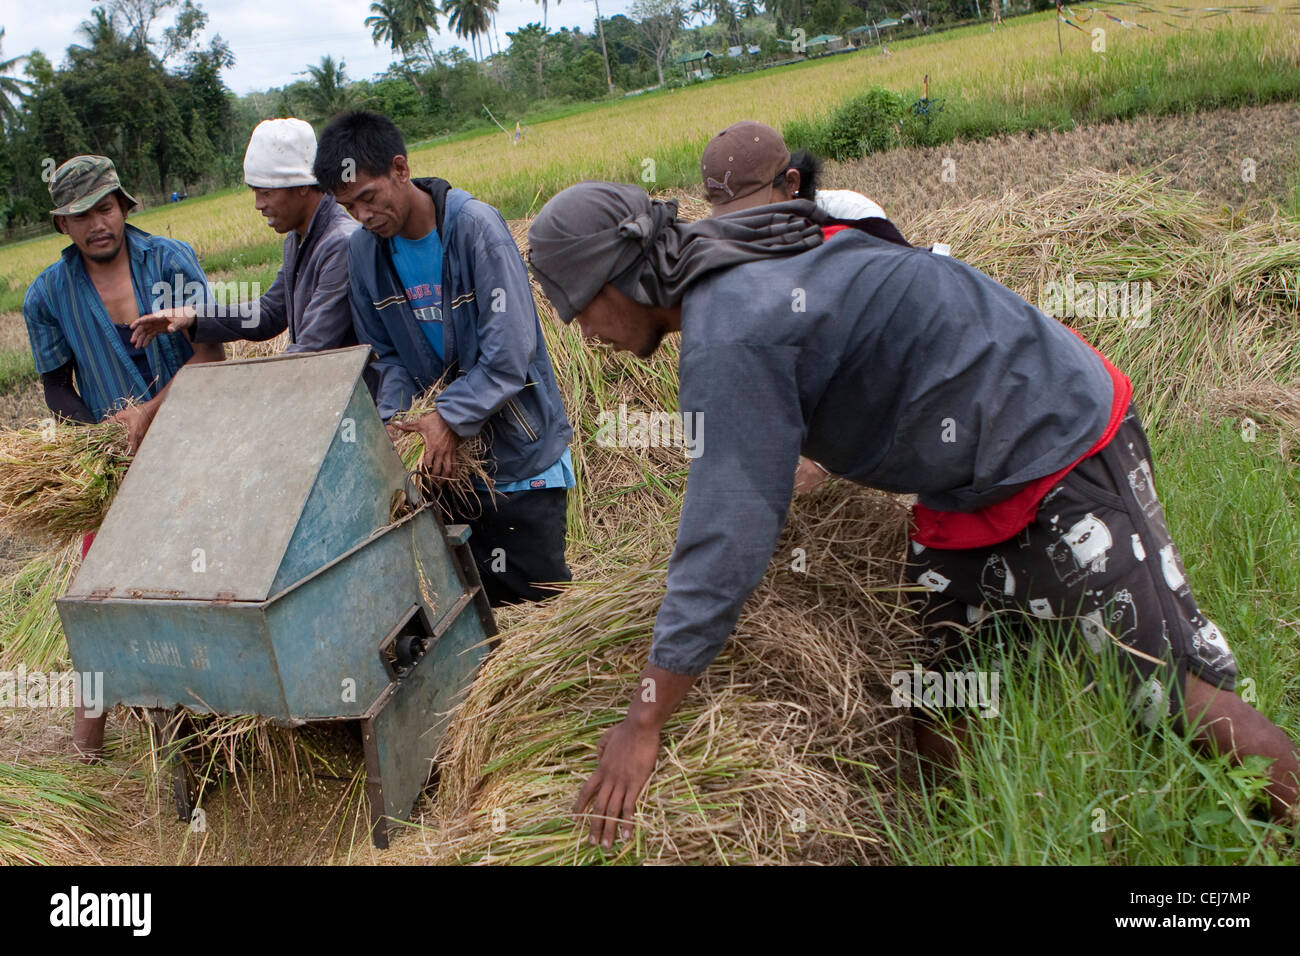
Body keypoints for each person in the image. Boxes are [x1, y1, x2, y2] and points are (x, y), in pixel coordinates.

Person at [526, 181, 1300, 849]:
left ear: (613, 279)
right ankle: (954, 835)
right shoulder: (730, 246)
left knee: (1171, 693)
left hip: (1053, 435)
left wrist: (647, 721)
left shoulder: (732, 325)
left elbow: (725, 538)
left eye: (578, 311)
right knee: (936, 682)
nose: (585, 336)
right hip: (967, 475)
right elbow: (874, 282)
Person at [313, 110, 574, 606]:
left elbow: (508, 355)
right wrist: (398, 421)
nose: (363, 216)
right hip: (443, 467)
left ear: (400, 169)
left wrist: (448, 417)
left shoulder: (475, 228)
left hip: (518, 459)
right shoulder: (365, 255)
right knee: (474, 611)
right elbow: (387, 357)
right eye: (349, 208)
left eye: (368, 197)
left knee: (539, 608)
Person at [21, 155, 225, 759]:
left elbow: (210, 360)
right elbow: (57, 384)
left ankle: (214, 718)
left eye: (105, 208)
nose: (97, 224)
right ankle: (86, 750)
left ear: (125, 206)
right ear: (63, 223)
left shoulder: (168, 263)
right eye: (80, 215)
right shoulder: (49, 295)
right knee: (98, 598)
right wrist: (105, 439)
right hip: (118, 463)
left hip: (199, 448)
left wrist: (146, 415)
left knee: (205, 584)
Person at [701, 120, 893, 494]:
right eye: (734, 216)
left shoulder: (853, 219)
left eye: (755, 209)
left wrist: (821, 457)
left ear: (791, 183)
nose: (748, 225)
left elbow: (879, 340)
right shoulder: (741, 251)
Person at [131, 119, 362, 357]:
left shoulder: (340, 244)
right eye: (255, 192)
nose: (258, 205)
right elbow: (270, 312)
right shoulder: (298, 240)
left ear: (302, 186)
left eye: (266, 193)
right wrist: (194, 315)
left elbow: (312, 348)